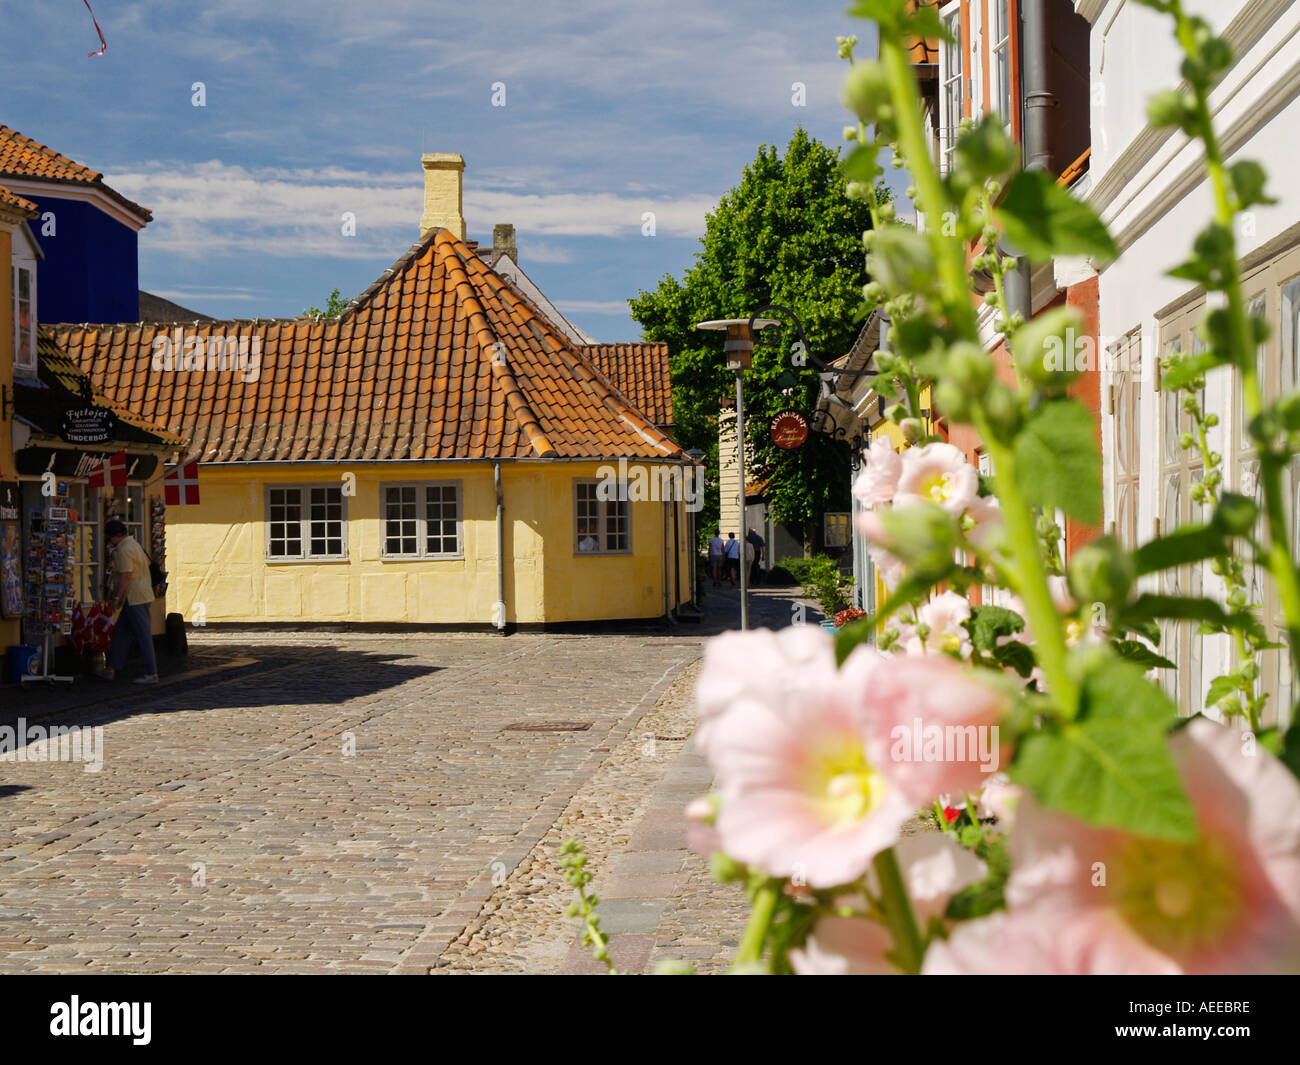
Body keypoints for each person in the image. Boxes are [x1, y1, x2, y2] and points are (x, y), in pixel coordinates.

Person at [96, 519, 158, 684]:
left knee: (143, 635)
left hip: (134, 597)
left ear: (115, 536)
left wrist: (116, 598)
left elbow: (126, 575)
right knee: (121, 633)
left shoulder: (123, 549)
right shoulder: (134, 544)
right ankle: (111, 668)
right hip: (141, 594)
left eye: (109, 538)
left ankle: (151, 673)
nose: (109, 541)